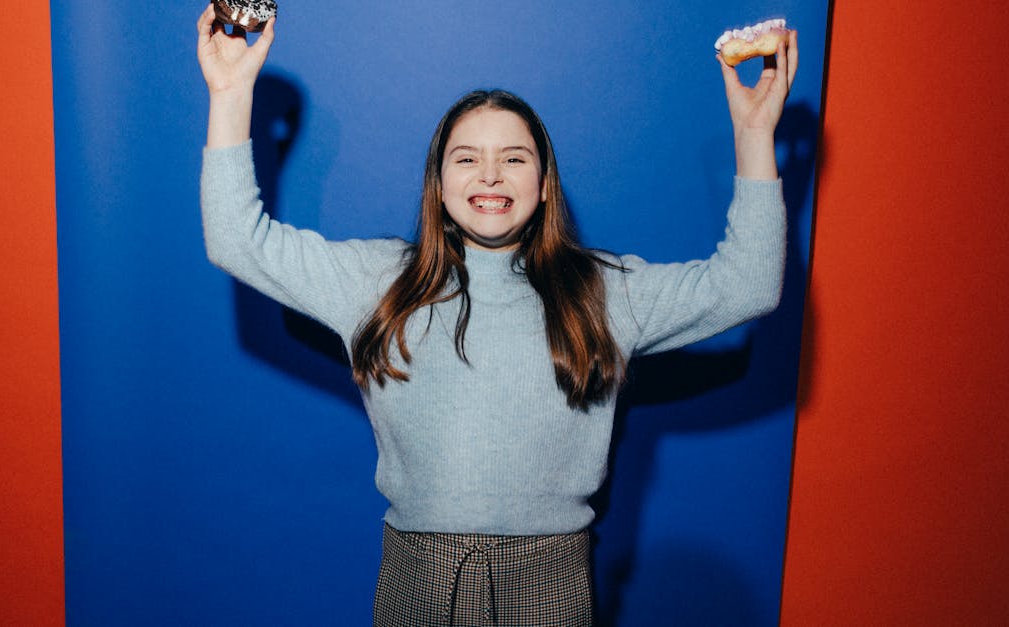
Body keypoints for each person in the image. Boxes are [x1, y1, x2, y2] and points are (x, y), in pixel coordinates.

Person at [196, 5, 798, 626]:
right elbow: (237, 241)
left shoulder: (604, 291)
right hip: (418, 574)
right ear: (438, 183)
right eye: (466, 158)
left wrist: (755, 137)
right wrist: (231, 91)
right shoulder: (376, 281)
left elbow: (745, 286)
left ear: (543, 186)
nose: (489, 173)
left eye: (514, 157)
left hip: (551, 574)